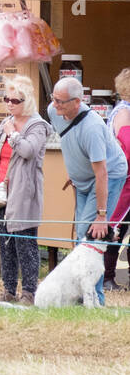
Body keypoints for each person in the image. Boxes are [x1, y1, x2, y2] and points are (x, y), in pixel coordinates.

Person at [48, 75, 127, 307]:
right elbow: (69, 141)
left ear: (77, 101)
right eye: (54, 99)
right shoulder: (55, 111)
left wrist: (102, 215)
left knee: (91, 233)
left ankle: (95, 300)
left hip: (108, 177)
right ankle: (78, 295)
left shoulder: (92, 126)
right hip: (82, 180)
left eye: (61, 101)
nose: (56, 105)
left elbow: (102, 171)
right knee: (80, 235)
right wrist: (74, 170)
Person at [0, 76, 49, 306]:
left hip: (23, 192)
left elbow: (28, 150)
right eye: (6, 99)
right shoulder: (8, 120)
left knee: (25, 244)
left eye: (14, 100)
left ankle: (29, 293)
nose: (9, 103)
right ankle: (8, 290)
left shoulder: (37, 125)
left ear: (25, 101)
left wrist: (13, 134)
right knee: (5, 243)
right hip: (1, 191)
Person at [104, 67, 130, 292]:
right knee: (115, 227)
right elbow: (127, 145)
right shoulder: (124, 112)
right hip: (124, 180)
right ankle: (107, 277)